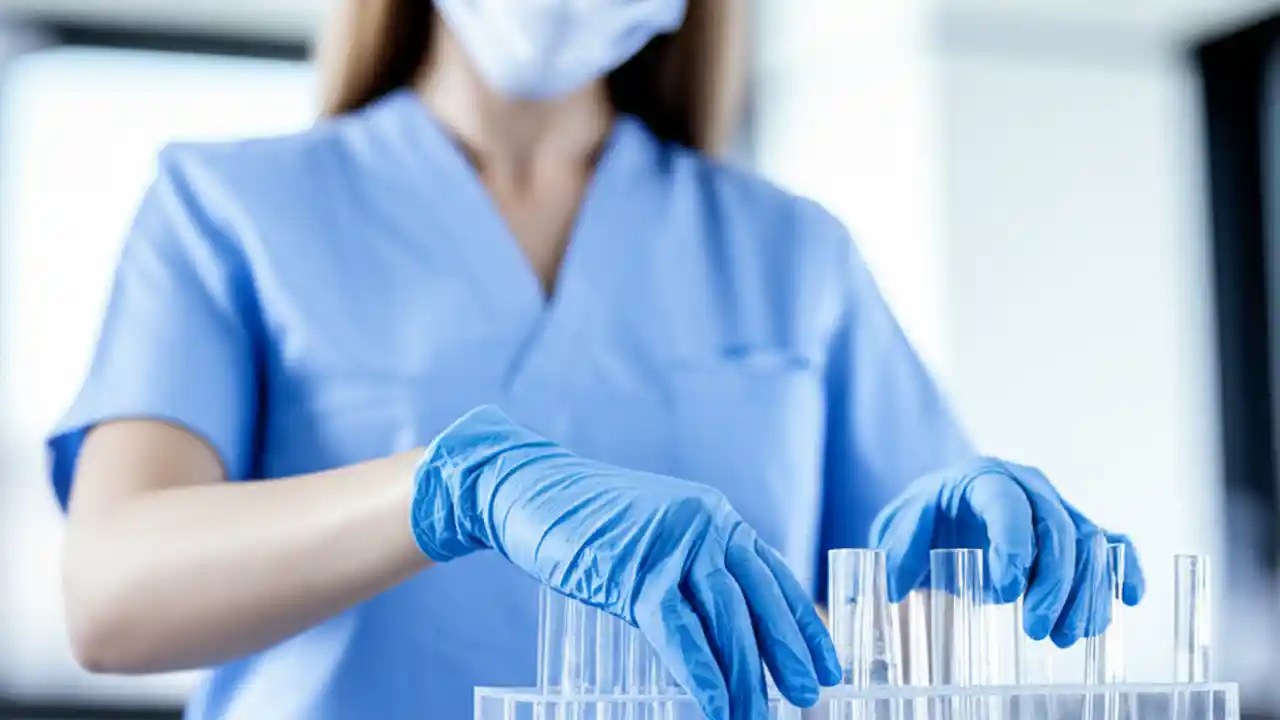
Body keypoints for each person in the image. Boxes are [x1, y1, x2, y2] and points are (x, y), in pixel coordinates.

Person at [48, 1, 1146, 718]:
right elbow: (111, 596)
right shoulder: (225, 208)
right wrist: (451, 489)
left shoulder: (787, 251)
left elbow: (879, 625)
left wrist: (963, 583)